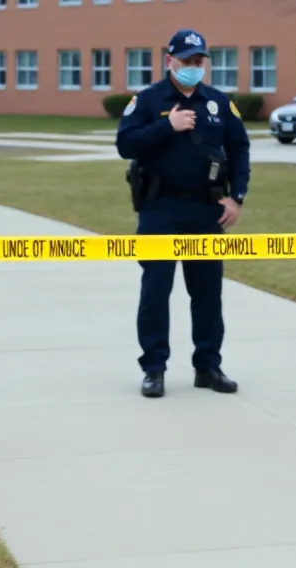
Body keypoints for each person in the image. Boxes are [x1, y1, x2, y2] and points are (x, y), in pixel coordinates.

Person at [115, 29, 251, 399]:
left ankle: (208, 366)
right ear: (169, 60)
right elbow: (125, 144)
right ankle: (154, 369)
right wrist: (167, 126)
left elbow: (239, 149)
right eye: (186, 60)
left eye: (198, 60)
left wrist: (236, 197)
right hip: (160, 208)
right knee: (156, 291)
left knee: (207, 292)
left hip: (206, 210)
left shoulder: (218, 102)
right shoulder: (148, 100)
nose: (193, 66)